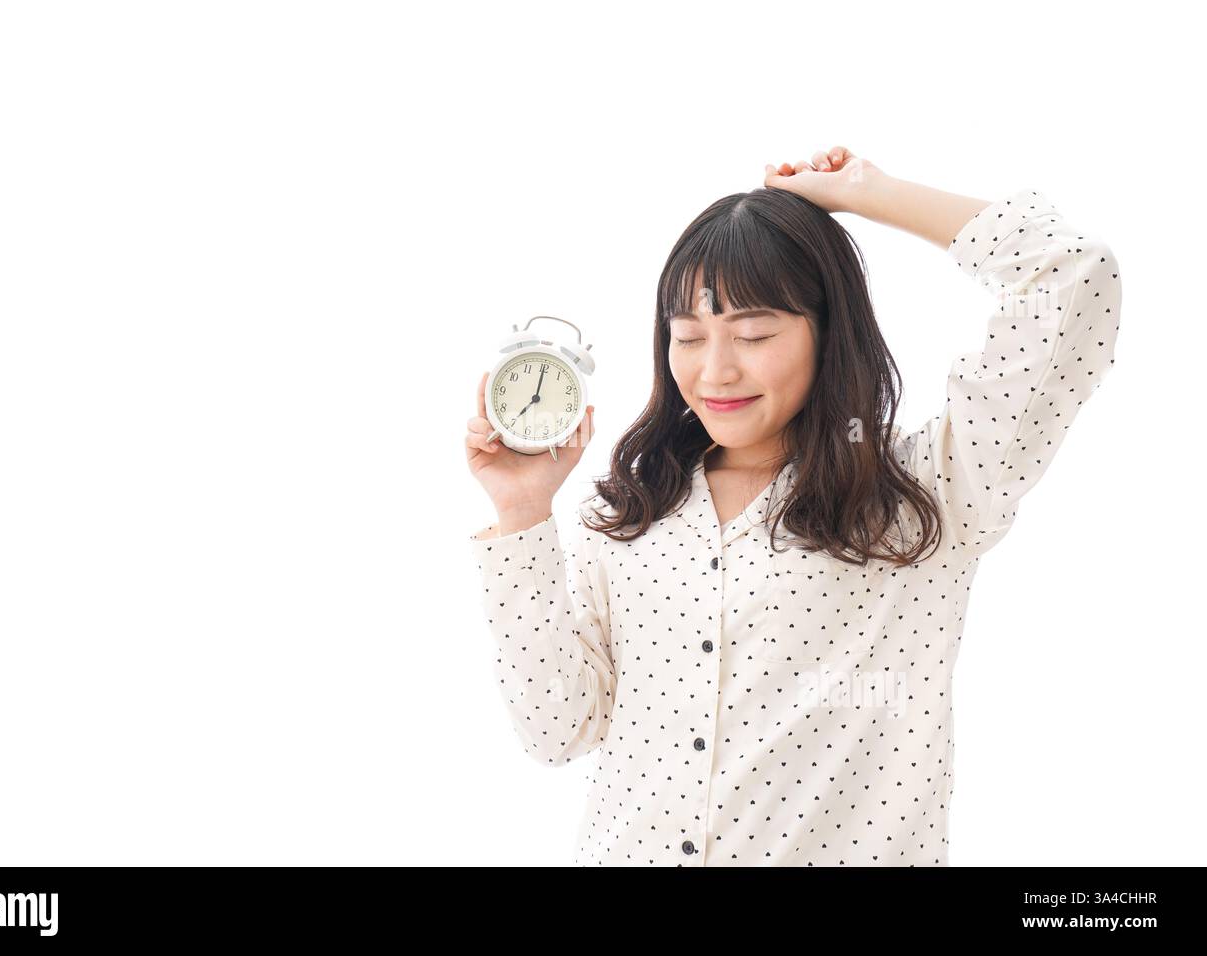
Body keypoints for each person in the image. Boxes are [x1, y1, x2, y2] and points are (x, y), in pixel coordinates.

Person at [463, 146, 1122, 866]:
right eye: (688, 337)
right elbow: (556, 730)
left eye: (754, 334)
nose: (715, 370)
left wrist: (869, 192)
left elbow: (1072, 280)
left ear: (827, 332)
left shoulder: (926, 493)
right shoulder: (634, 514)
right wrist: (523, 513)